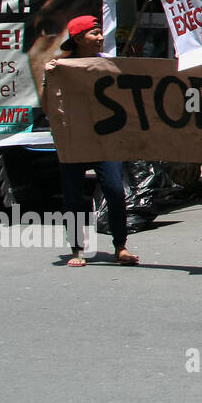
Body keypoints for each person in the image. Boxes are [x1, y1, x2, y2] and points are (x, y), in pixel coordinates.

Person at [48, 15, 138, 267]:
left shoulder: (107, 64)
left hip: (105, 138)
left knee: (115, 191)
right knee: (74, 196)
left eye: (100, 32)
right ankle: (76, 249)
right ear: (78, 39)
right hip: (74, 139)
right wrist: (49, 78)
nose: (100, 38)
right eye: (94, 33)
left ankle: (120, 246)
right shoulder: (60, 67)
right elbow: (50, 104)